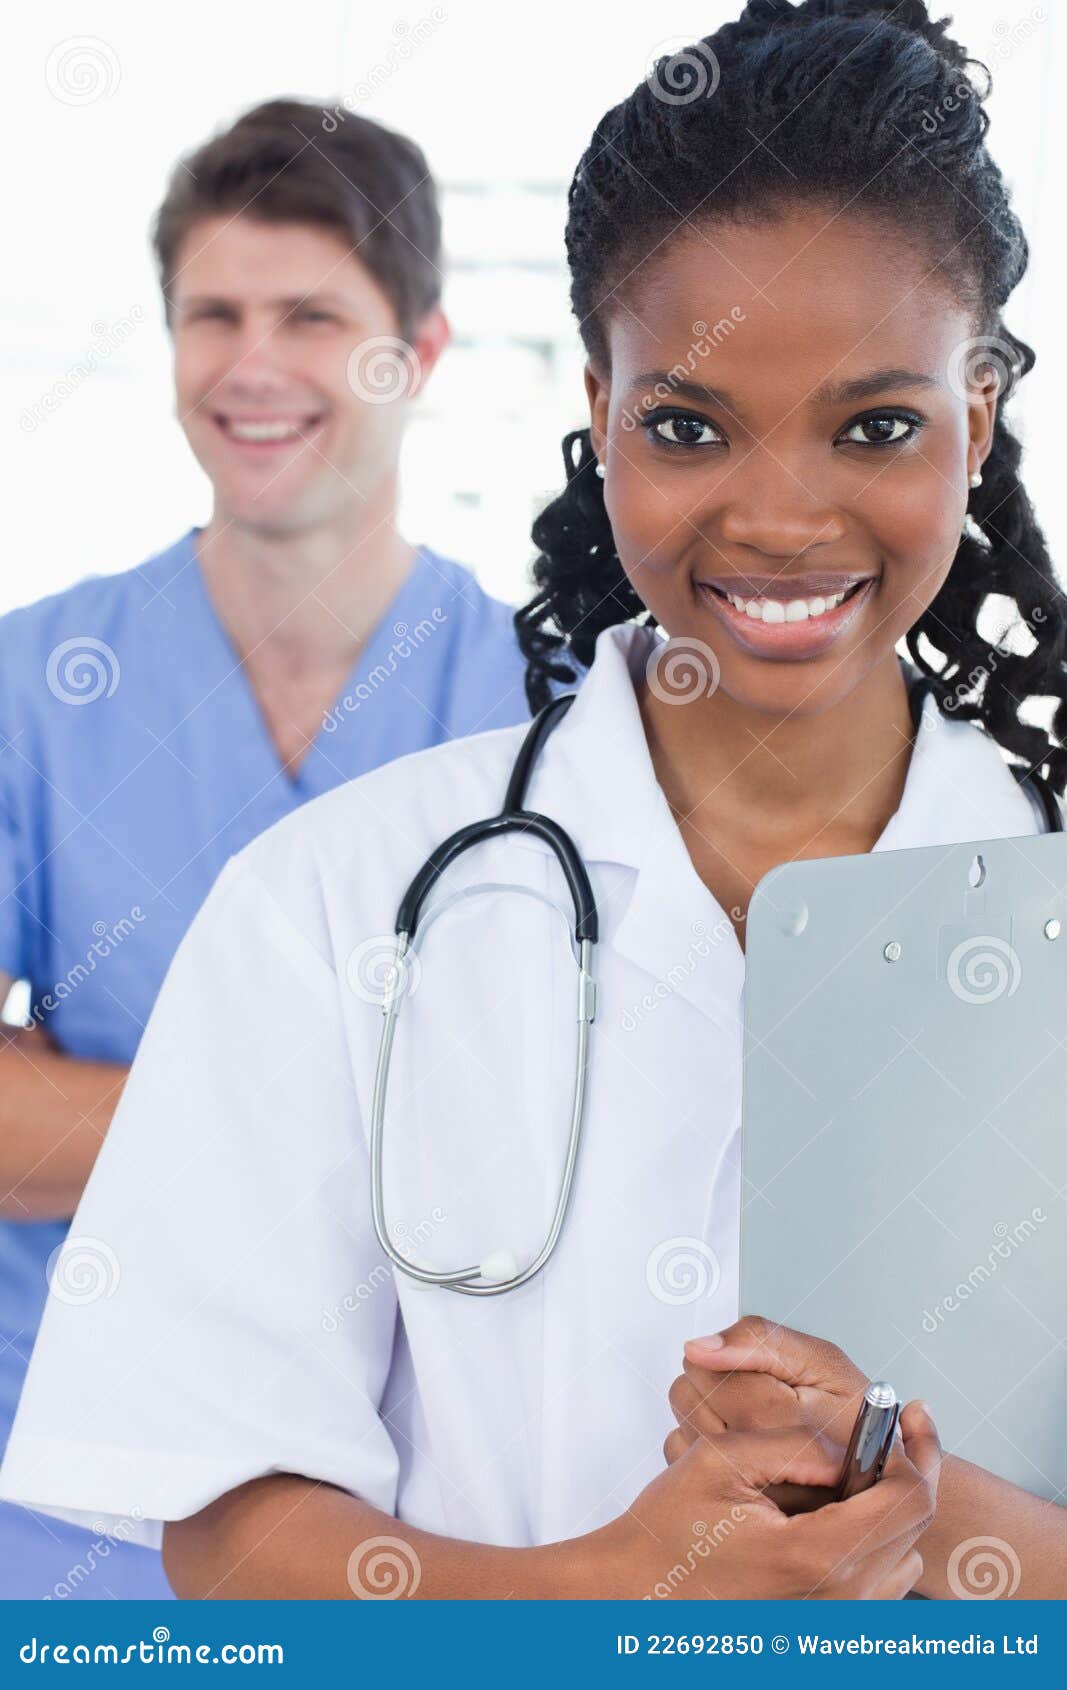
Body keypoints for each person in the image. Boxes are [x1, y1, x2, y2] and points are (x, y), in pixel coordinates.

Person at [2, 0, 1065, 1599]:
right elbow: (229, 1533)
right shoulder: (335, 900)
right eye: (690, 425)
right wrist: (626, 1585)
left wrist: (911, 1494)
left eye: (879, 424)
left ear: (975, 418)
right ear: (598, 408)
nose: (781, 516)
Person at [0, 98, 533, 1599]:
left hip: (444, 1509)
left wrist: (106, 1120)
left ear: (418, 354)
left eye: (312, 315)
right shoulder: (38, 686)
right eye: (211, 314)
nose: (252, 364)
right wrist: (393, 1136)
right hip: (76, 1499)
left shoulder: (543, 696)